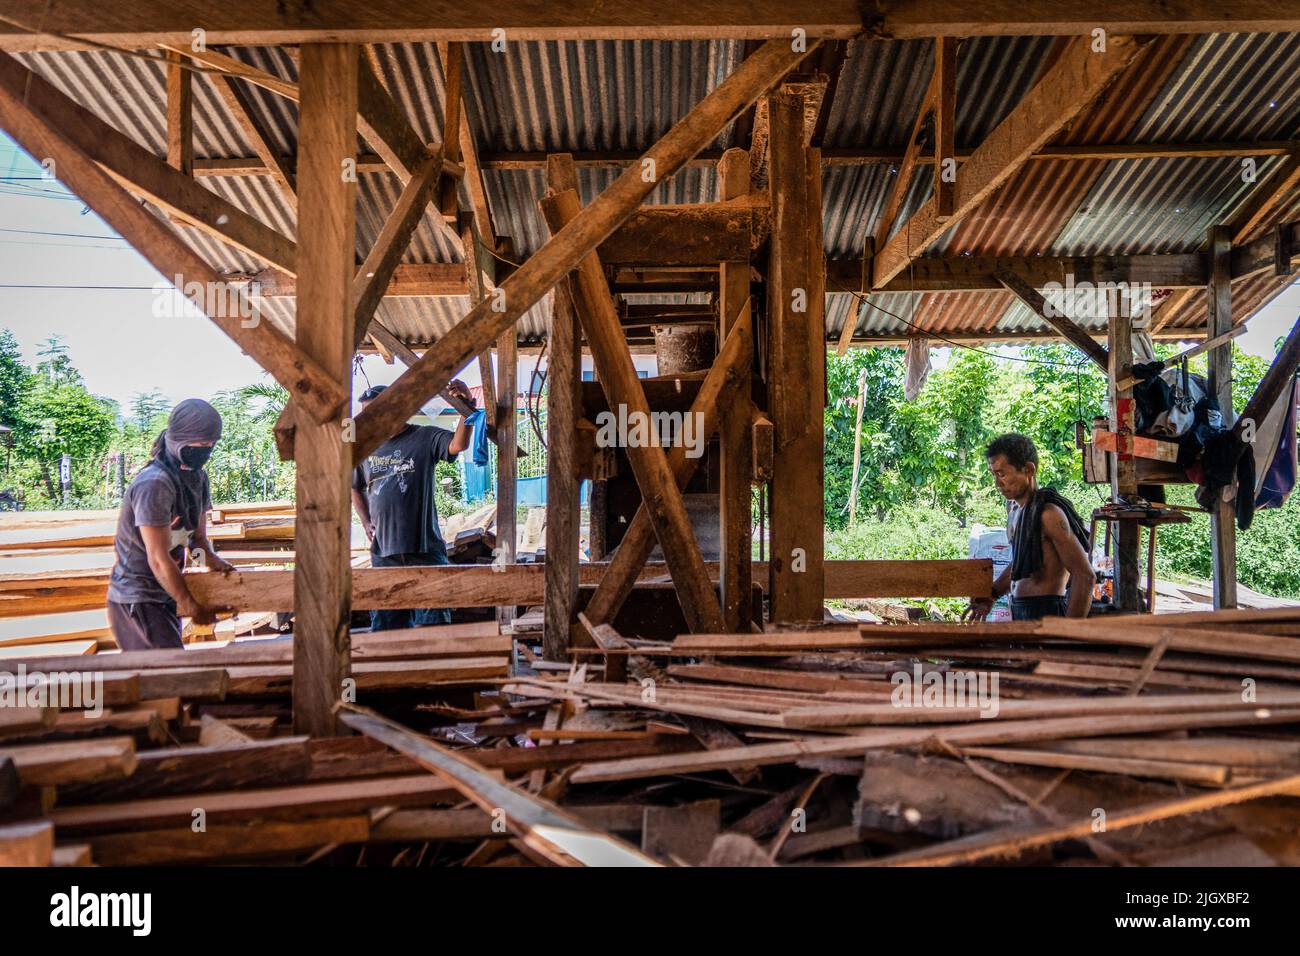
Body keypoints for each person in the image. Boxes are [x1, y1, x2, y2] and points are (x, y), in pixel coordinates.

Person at [107, 399, 233, 650]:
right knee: (166, 679)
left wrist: (218, 567)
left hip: (164, 595)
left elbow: (196, 545)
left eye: (211, 444)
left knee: (169, 677)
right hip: (138, 599)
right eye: (201, 444)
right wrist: (190, 605)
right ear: (180, 439)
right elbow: (158, 559)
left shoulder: (197, 478)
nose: (206, 450)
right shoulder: (154, 485)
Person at [351, 380, 475, 630]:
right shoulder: (363, 449)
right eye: (366, 413)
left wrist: (465, 406)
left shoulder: (424, 436)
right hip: (384, 554)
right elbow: (355, 485)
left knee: (433, 627)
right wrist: (365, 522)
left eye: (374, 410)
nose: (370, 418)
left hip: (425, 551)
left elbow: (458, 444)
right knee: (387, 629)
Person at [965, 433, 1095, 622]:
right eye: (994, 474)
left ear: (1028, 469)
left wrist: (1069, 634)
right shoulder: (1014, 509)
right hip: (1020, 610)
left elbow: (1085, 576)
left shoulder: (1049, 514)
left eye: (1002, 474)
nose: (997, 483)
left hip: (1047, 611)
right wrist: (993, 593)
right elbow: (1021, 564)